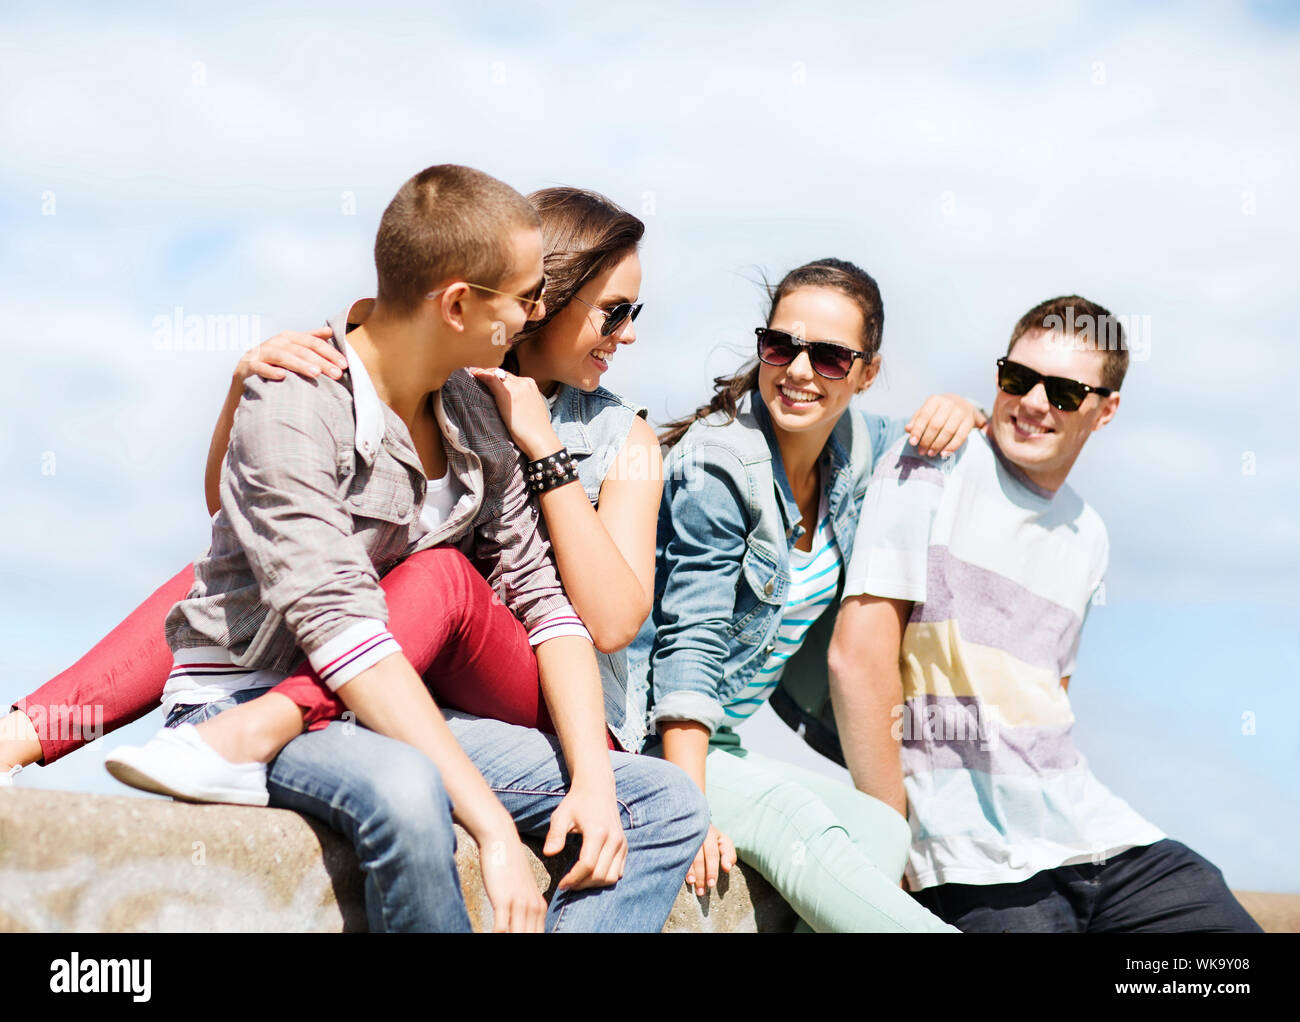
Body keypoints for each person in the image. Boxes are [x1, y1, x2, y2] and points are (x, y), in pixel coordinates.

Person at [1, 166, 709, 933]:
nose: (628, 333)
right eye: (611, 311)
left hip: (506, 686)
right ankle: (37, 732)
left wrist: (542, 450)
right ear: (469, 301)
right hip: (372, 664)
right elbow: (246, 531)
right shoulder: (355, 378)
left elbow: (595, 617)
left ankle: (266, 721)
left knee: (439, 583)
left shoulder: (544, 424)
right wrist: (245, 392)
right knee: (222, 583)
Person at [825, 295, 1262, 933]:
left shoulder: (1090, 534)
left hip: (1099, 836)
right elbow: (856, 658)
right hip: (971, 856)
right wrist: (888, 844)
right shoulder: (930, 462)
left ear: (1105, 411)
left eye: (1061, 391)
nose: (1032, 402)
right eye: (1017, 378)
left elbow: (1050, 696)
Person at [628, 257, 980, 931]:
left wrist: (966, 409)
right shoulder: (718, 467)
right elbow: (691, 644)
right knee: (803, 830)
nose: (797, 370)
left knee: (881, 832)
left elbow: (967, 442)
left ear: (866, 373)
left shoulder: (855, 446)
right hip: (653, 740)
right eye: (781, 346)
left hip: (723, 738)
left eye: (829, 358)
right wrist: (686, 805)